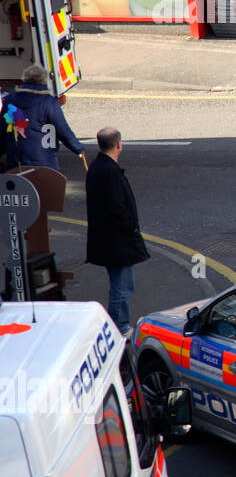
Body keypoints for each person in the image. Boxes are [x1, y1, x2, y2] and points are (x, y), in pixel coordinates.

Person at [85, 127, 149, 337]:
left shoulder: (97, 167)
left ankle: (119, 325)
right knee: (121, 287)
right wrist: (131, 226)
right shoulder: (109, 171)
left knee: (122, 284)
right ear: (118, 145)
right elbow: (117, 206)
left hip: (107, 239)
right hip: (117, 241)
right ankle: (118, 327)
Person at [1, 64, 87, 171]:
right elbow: (62, 129)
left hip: (16, 161)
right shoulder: (48, 102)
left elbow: (2, 130)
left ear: (24, 79)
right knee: (47, 187)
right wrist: (78, 148)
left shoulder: (10, 101)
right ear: (44, 80)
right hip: (44, 161)